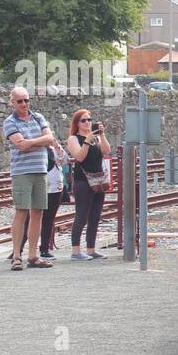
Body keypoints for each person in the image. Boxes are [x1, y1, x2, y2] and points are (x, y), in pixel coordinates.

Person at [1, 87, 54, 270]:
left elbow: (50, 138)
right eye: (20, 101)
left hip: (40, 170)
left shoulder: (38, 117)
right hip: (22, 171)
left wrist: (30, 142)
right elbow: (21, 145)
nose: (24, 104)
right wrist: (38, 142)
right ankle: (17, 255)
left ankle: (33, 254)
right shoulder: (9, 122)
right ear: (12, 102)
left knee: (38, 212)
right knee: (21, 211)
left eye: (26, 100)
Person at [65, 109, 111, 260]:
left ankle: (91, 249)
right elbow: (79, 157)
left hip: (98, 180)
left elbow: (107, 151)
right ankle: (76, 250)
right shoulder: (74, 138)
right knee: (82, 215)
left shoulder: (96, 138)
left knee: (95, 215)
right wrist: (86, 141)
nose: (88, 123)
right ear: (77, 123)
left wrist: (101, 135)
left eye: (89, 120)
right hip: (82, 181)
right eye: (84, 120)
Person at [40, 138, 67, 259]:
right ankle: (18, 249)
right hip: (41, 187)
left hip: (56, 189)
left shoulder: (53, 148)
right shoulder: (38, 148)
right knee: (29, 219)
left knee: (48, 220)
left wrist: (57, 147)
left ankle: (44, 249)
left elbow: (64, 161)